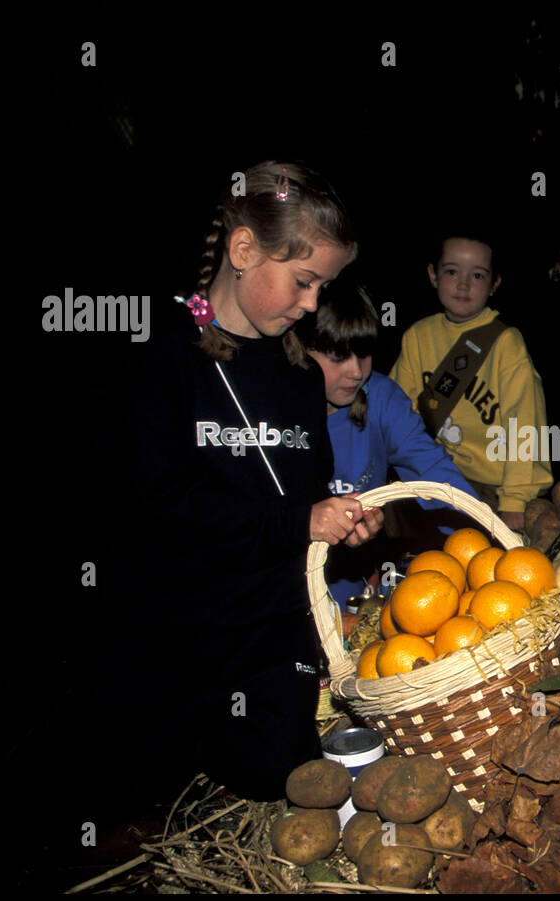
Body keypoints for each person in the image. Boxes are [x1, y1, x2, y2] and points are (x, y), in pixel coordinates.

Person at [126, 160, 382, 804]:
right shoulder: (161, 354)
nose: (313, 304)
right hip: (175, 637)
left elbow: (304, 499)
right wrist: (299, 523)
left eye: (323, 285)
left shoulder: (299, 376)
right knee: (149, 803)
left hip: (273, 637)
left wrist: (340, 523)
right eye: (303, 281)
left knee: (278, 788)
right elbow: (159, 510)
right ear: (244, 250)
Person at [295, 278, 480, 607]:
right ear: (299, 347)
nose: (355, 371)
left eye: (363, 353)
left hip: (350, 594)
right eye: (338, 356)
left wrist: (484, 544)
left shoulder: (380, 398)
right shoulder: (269, 409)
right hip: (277, 592)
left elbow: (438, 477)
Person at [390, 231, 552, 531]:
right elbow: (394, 414)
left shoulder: (505, 342)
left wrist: (515, 502)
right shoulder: (417, 337)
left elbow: (524, 424)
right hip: (439, 479)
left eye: (477, 275)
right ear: (432, 275)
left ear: (494, 284)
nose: (463, 284)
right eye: (451, 271)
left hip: (497, 488)